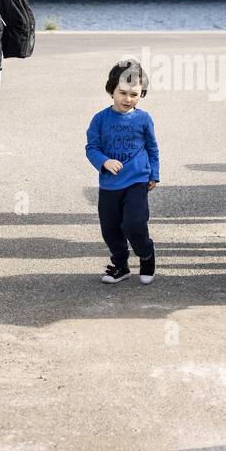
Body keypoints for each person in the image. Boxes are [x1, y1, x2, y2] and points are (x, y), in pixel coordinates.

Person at [86, 60, 160, 285]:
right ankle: (120, 265)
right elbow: (92, 148)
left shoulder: (143, 119)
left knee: (134, 224)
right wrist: (105, 161)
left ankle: (146, 255)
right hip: (109, 184)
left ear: (141, 94)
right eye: (123, 93)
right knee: (110, 229)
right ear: (111, 90)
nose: (128, 99)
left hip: (137, 180)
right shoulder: (99, 119)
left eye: (134, 94)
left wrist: (153, 173)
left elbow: (152, 148)